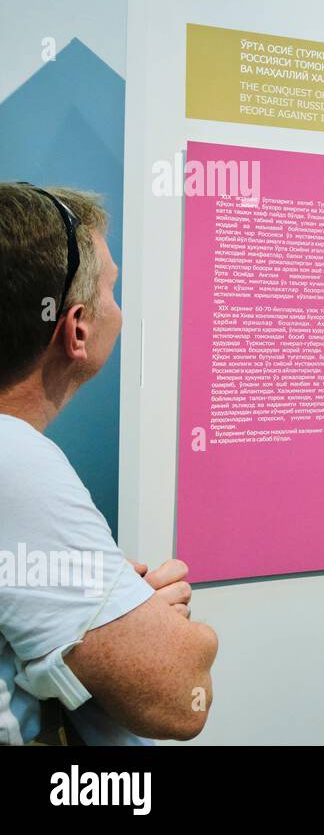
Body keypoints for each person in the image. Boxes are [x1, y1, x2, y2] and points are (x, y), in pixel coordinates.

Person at [0, 182, 218, 744]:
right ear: (75, 327)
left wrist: (120, 611)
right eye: (112, 290)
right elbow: (179, 697)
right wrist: (154, 616)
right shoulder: (15, 461)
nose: (118, 310)